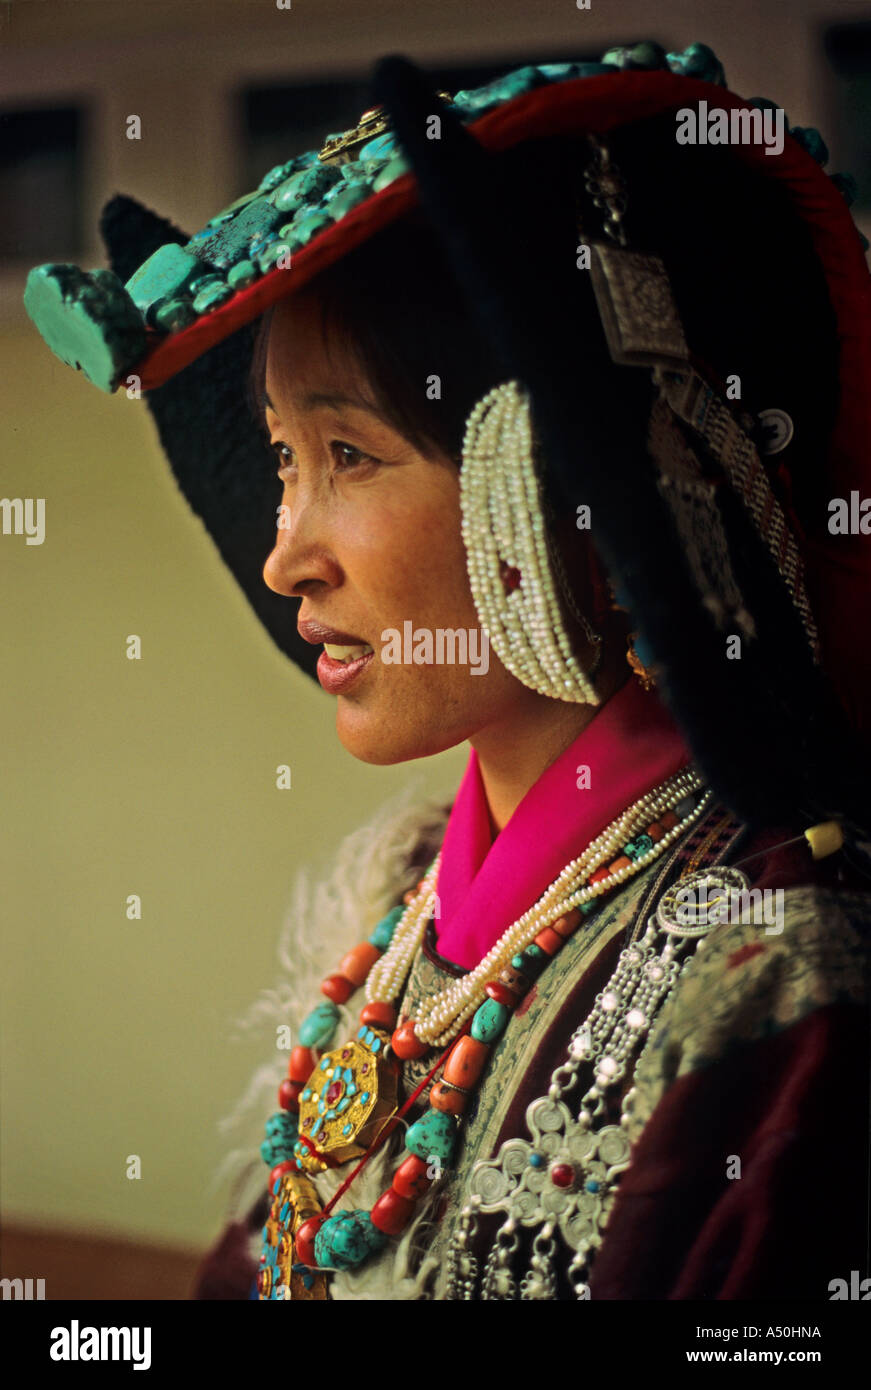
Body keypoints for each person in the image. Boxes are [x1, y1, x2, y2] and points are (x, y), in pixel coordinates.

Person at [24, 42, 871, 1301]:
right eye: (279, 461)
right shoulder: (411, 897)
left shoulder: (780, 980)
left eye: (350, 454)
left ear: (558, 484)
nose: (284, 558)